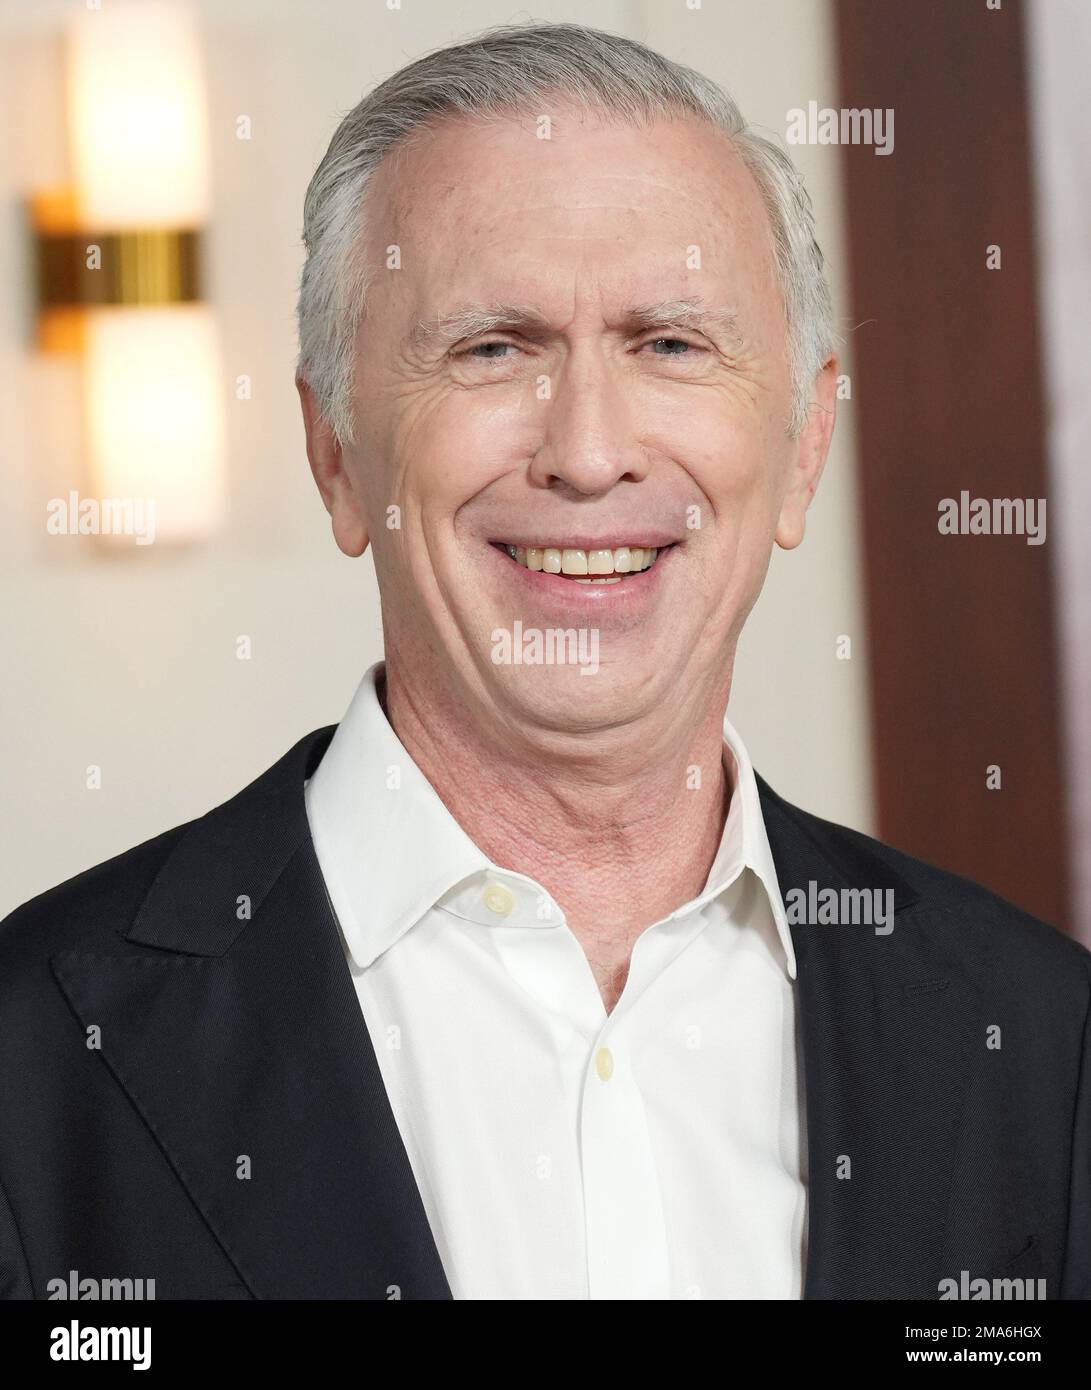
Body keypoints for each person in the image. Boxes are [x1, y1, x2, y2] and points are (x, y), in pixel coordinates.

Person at [2, 22, 1087, 1301]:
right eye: (492, 347)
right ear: (335, 451)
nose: (585, 450)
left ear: (801, 448)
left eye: (670, 343)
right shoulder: (37, 1058)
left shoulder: (1038, 1039)